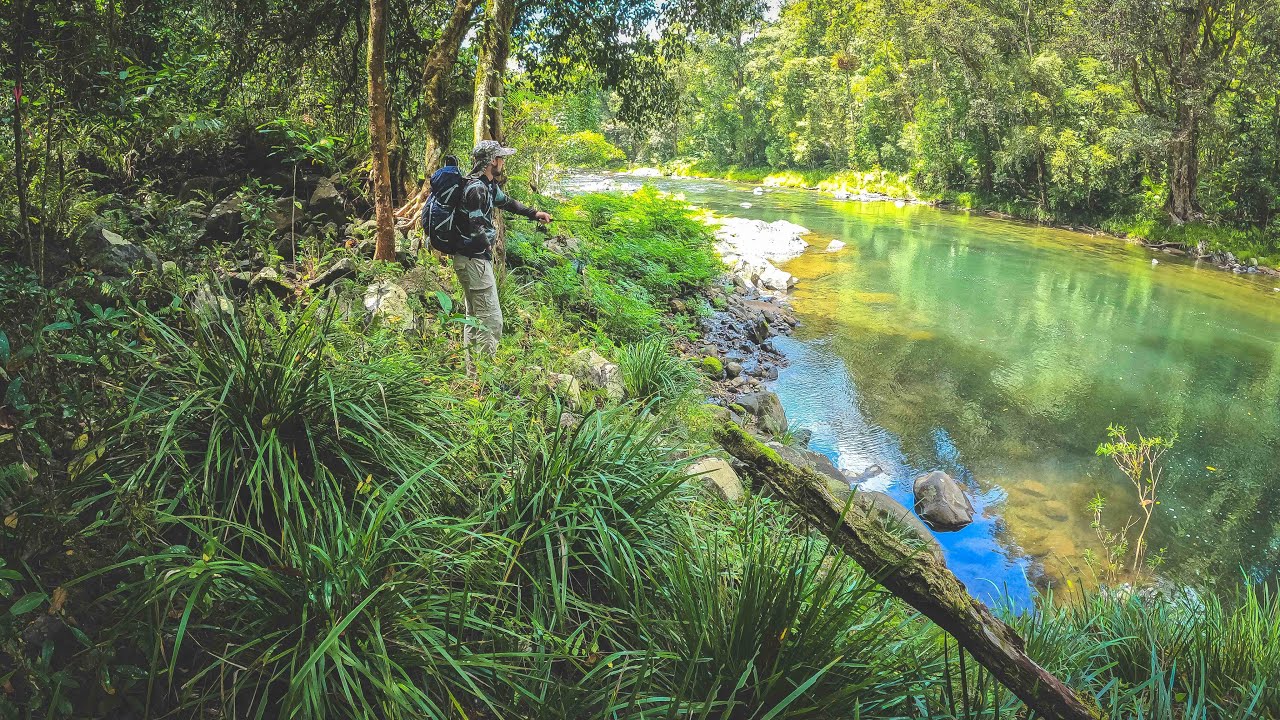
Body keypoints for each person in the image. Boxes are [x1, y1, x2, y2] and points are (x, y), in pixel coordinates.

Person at [451, 140, 552, 361]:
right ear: (492, 161)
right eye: (501, 158)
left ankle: (473, 376)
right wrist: (487, 244)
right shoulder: (477, 189)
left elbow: (507, 203)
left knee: (474, 317)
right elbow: (476, 226)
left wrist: (535, 213)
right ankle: (484, 380)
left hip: (467, 260)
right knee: (492, 321)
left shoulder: (487, 185)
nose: (503, 162)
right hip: (474, 261)